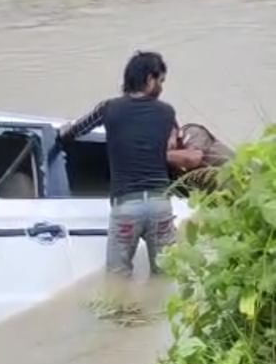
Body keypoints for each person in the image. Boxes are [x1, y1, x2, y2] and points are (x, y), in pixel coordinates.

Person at [56, 51, 203, 276]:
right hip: (160, 205)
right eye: (161, 81)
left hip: (126, 207)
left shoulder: (108, 108)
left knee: (118, 277)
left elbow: (73, 132)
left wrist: (64, 132)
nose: (161, 87)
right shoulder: (167, 112)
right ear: (150, 79)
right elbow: (171, 145)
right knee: (167, 274)